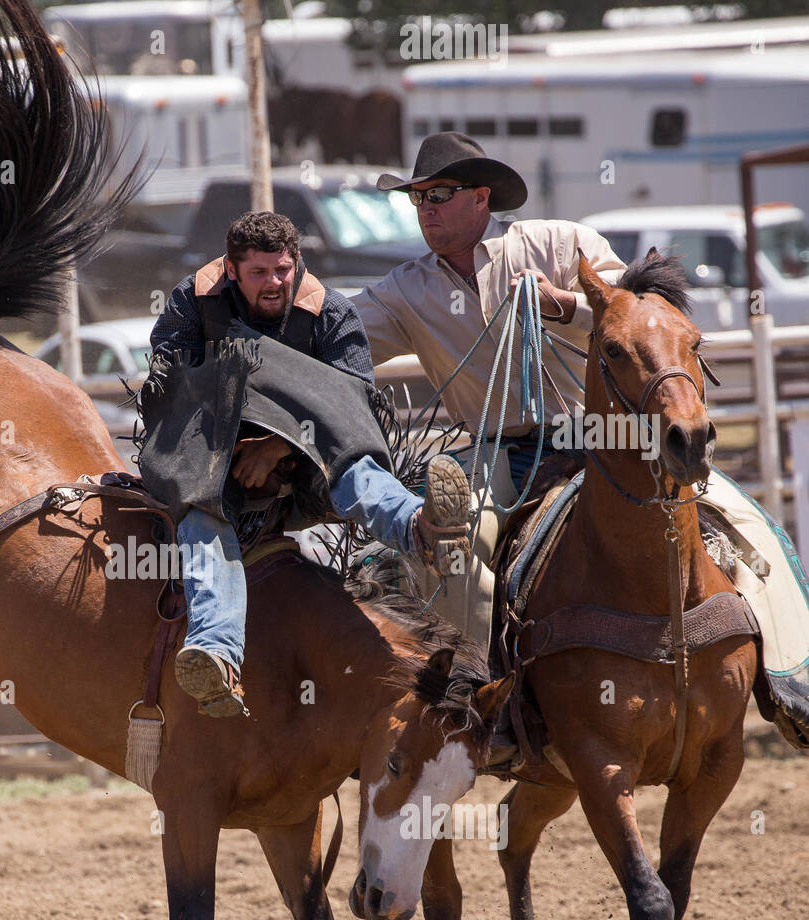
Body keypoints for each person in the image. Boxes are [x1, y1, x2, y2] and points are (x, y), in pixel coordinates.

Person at [357, 130, 809, 746]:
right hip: (499, 449)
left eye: (439, 193)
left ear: (482, 197)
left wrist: (568, 305)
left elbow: (646, 312)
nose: (426, 208)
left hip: (609, 434)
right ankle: (483, 698)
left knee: (743, 523)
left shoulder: (560, 244)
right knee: (450, 541)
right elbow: (341, 335)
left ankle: (791, 681)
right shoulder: (406, 290)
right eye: (417, 198)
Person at [145, 210, 472, 717]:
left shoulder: (329, 312)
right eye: (260, 273)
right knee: (201, 519)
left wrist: (276, 449)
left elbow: (351, 404)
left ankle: (421, 527)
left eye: (283, 269)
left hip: (309, 467)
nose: (275, 283)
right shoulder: (193, 303)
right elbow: (173, 392)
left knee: (356, 471)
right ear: (232, 271)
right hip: (212, 465)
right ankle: (216, 656)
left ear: (295, 261)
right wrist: (232, 452)